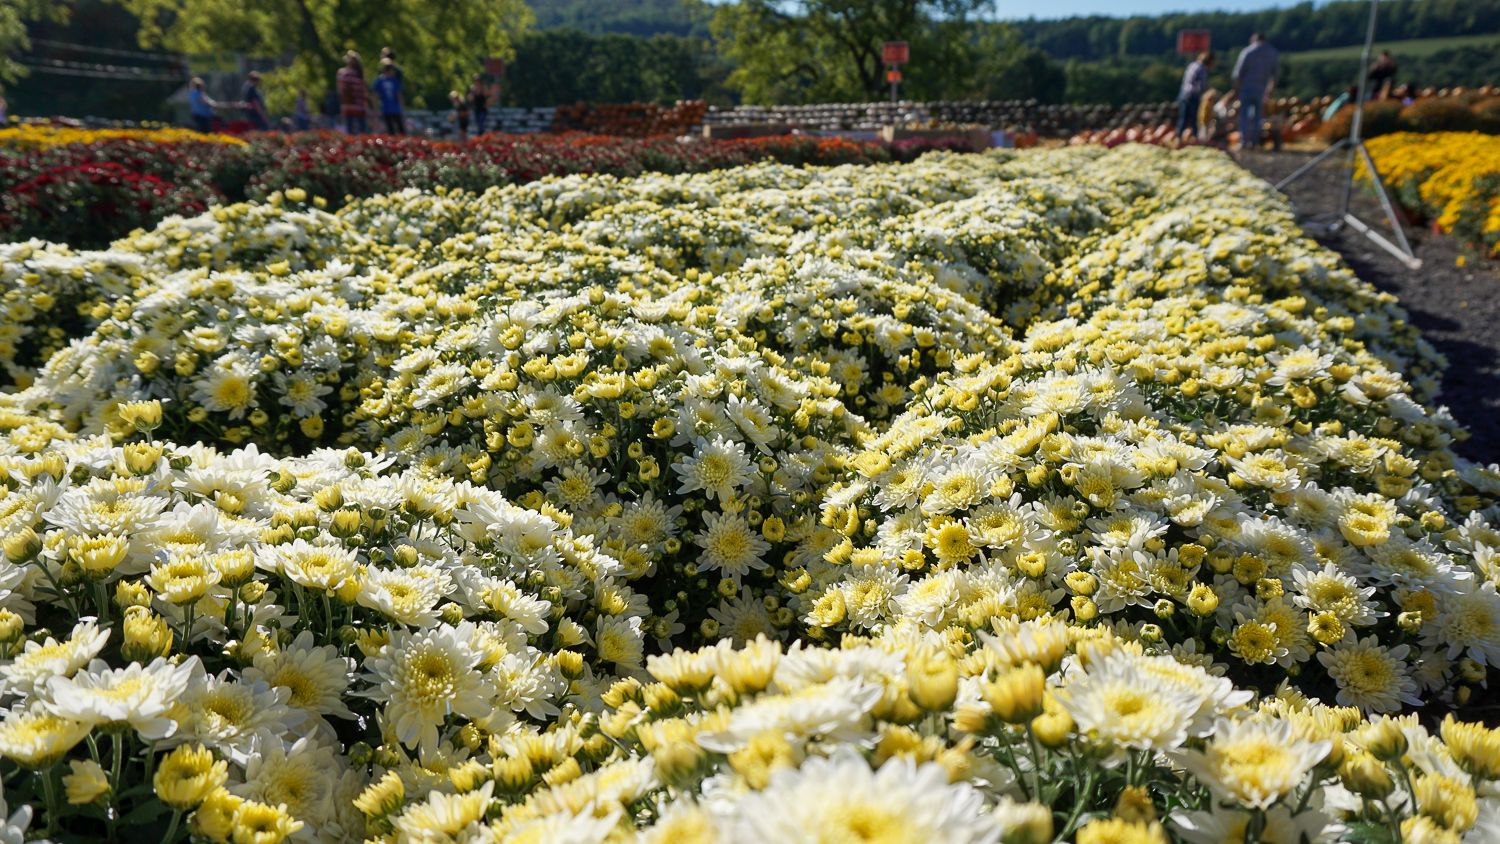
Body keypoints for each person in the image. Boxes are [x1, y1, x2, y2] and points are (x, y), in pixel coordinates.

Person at [1231, 32, 1278, 151]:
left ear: (1254, 39)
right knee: (1258, 117)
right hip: (1261, 89)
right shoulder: (1272, 52)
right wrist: (1271, 89)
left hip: (1246, 88)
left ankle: (1244, 142)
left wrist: (1236, 88)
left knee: (1244, 116)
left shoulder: (1248, 51)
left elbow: (1238, 72)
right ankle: (1255, 142)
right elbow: (1275, 74)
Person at [1176, 51, 1214, 142]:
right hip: (1193, 96)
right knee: (1194, 120)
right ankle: (1195, 139)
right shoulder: (1202, 69)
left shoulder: (1192, 65)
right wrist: (1211, 91)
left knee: (1183, 118)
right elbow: (1202, 85)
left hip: (1184, 94)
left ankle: (1178, 139)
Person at [337, 51, 369, 135]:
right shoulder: (360, 74)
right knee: (362, 129)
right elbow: (364, 91)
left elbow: (341, 90)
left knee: (350, 130)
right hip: (360, 105)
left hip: (349, 105)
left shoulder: (343, 73)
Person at [373, 61, 405, 135]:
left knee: (399, 128)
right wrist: (376, 108)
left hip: (393, 109)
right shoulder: (381, 81)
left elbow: (399, 95)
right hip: (387, 109)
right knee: (393, 129)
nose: (394, 72)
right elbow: (375, 96)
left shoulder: (382, 81)